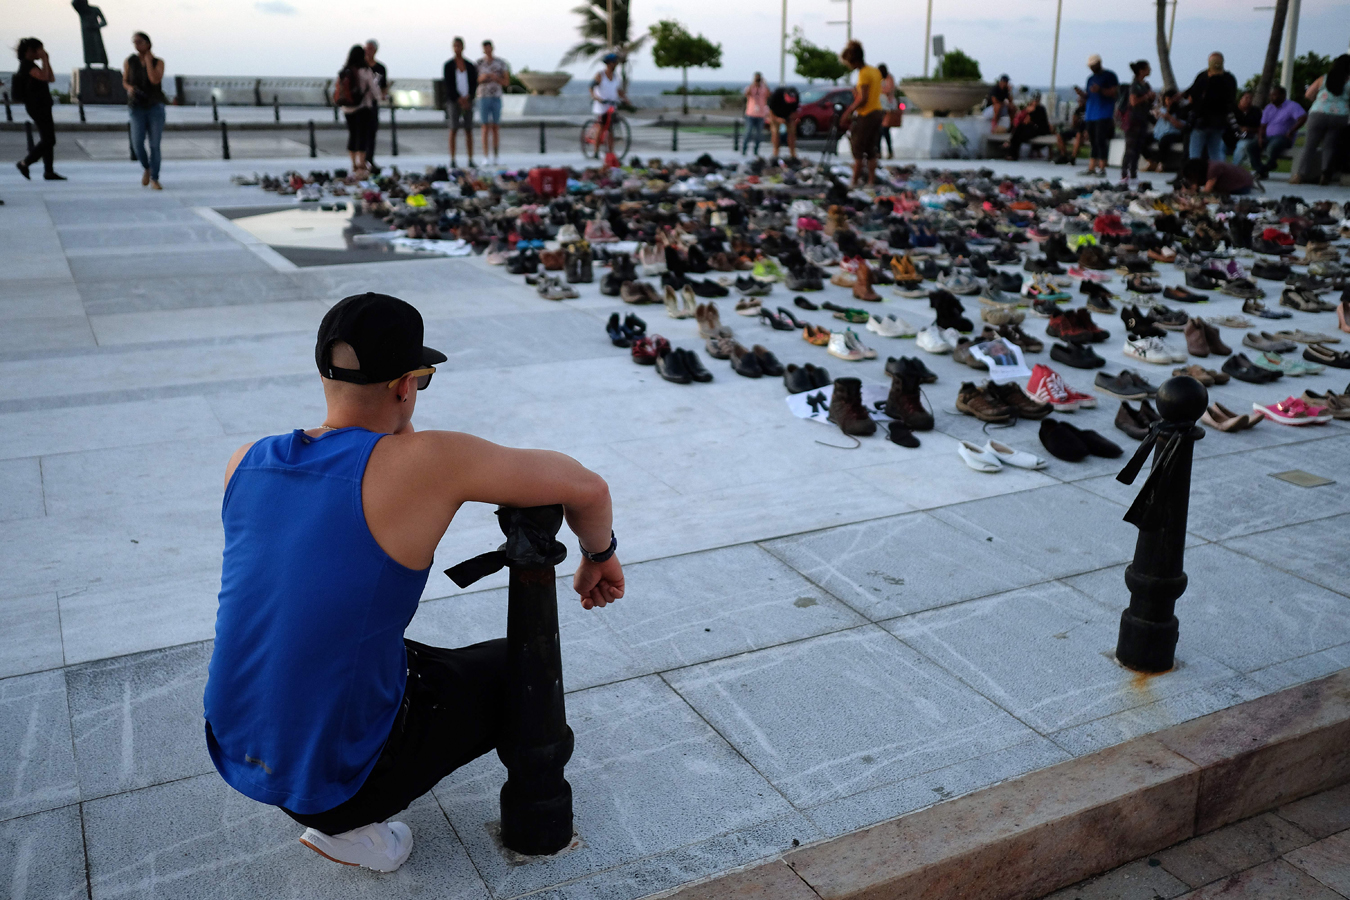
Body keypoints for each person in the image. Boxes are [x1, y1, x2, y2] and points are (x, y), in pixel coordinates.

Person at [203, 292, 624, 873]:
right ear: (406, 384)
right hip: (339, 785)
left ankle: (326, 790)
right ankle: (349, 829)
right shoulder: (429, 460)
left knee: (358, 640)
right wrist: (599, 553)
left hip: (233, 742)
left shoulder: (245, 459)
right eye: (421, 381)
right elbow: (587, 487)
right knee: (516, 668)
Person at [12, 38, 64, 181]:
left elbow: (50, 78)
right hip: (37, 106)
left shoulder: (32, 65)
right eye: (40, 49)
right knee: (49, 140)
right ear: (31, 50)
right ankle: (25, 163)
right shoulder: (27, 66)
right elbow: (44, 77)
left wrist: (45, 61)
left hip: (43, 105)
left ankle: (49, 171)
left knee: (47, 138)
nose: (42, 52)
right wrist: (45, 60)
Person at [1294, 54, 1350, 185]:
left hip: (1318, 113)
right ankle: (1325, 175)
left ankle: (1300, 175)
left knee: (1310, 146)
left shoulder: (1323, 79)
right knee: (1329, 146)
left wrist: (1319, 102)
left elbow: (1308, 94)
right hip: (1340, 116)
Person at [122, 32, 166, 190]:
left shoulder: (158, 62)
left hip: (155, 106)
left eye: (139, 42)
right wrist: (129, 88)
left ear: (148, 43)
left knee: (155, 144)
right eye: (134, 42)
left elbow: (154, 80)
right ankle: (147, 168)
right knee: (137, 143)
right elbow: (125, 80)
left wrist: (148, 62)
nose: (136, 45)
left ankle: (155, 177)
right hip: (136, 106)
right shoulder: (130, 61)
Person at [839, 40, 883, 188]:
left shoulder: (863, 74)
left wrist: (848, 111)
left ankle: (854, 181)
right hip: (878, 111)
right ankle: (870, 182)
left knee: (857, 149)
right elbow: (871, 93)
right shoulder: (874, 71)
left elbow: (863, 99)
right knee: (871, 149)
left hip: (866, 114)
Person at [1181, 52, 1237, 162]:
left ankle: (1195, 175)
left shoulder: (1203, 77)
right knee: (1216, 152)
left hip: (1202, 121)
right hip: (1219, 122)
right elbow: (1231, 100)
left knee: (1195, 153)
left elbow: (1192, 96)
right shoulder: (1229, 79)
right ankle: (1219, 175)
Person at [336, 44, 378, 175]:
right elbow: (373, 89)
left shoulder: (345, 70)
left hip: (347, 108)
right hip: (362, 107)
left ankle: (353, 164)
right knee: (362, 136)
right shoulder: (364, 71)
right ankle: (361, 164)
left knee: (352, 134)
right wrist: (380, 97)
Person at [1075, 54, 1118, 176]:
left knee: (1101, 140)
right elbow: (1088, 96)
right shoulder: (1090, 79)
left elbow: (1114, 92)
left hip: (1104, 113)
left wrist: (1100, 90)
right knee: (1093, 141)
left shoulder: (1109, 76)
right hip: (1091, 113)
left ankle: (1102, 167)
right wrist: (1082, 94)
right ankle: (1092, 167)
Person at [1253, 85, 1306, 179]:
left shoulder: (1292, 106)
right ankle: (1262, 169)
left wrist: (1292, 130)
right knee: (1250, 146)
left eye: (1274, 95)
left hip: (1284, 137)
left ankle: (1266, 167)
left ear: (1283, 95)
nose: (1271, 97)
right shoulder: (1269, 107)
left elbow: (1303, 118)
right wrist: (1260, 137)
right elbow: (1262, 125)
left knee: (1273, 146)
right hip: (1268, 137)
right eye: (1270, 95)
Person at [443, 38, 477, 169]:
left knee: (468, 129)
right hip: (454, 101)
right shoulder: (448, 65)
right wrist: (459, 99)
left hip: (468, 100)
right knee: (453, 129)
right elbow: (449, 84)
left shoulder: (469, 65)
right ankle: (452, 158)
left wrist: (468, 98)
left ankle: (470, 158)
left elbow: (474, 83)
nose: (457, 48)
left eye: (459, 46)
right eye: (455, 46)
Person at [1120, 60, 1155, 181]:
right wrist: (1146, 97)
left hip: (1143, 120)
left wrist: (1151, 99)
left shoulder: (1146, 85)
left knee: (1138, 148)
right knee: (1130, 148)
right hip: (1133, 121)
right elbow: (1133, 101)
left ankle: (1133, 172)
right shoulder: (1134, 85)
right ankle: (1124, 172)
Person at [476, 40, 509, 164]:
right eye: (485, 48)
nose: (487, 50)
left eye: (489, 48)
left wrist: (497, 78)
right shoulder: (479, 63)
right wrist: (482, 78)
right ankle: (485, 156)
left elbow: (506, 82)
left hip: (496, 97)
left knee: (495, 127)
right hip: (483, 97)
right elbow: (474, 80)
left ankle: (496, 156)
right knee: (485, 127)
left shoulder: (500, 63)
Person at [589, 53, 627, 156]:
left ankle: (610, 152)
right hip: (601, 107)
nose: (616, 64)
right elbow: (591, 87)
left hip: (611, 106)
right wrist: (595, 97)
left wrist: (625, 99)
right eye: (614, 62)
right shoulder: (600, 75)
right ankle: (596, 151)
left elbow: (618, 90)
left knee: (611, 130)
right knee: (601, 128)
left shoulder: (615, 76)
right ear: (609, 63)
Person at [1144, 89, 1186, 172]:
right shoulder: (1162, 110)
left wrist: (1169, 117)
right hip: (1159, 133)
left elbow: (1181, 125)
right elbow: (1156, 122)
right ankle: (1151, 161)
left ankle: (1161, 163)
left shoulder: (1180, 111)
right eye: (1167, 99)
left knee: (1164, 141)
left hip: (1173, 133)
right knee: (1142, 139)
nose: (1169, 102)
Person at [363, 40, 388, 170]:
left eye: (371, 49)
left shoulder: (380, 68)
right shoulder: (359, 66)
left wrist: (382, 95)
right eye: (367, 49)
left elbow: (384, 86)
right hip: (360, 104)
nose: (368, 51)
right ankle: (361, 161)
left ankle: (370, 159)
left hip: (372, 103)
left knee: (372, 132)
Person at [1005, 92, 1050, 161]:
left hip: (1038, 130)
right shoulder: (1033, 108)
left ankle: (1012, 153)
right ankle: (1012, 153)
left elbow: (1029, 121)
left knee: (1018, 135)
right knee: (1018, 131)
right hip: (1032, 128)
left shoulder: (1039, 109)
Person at [1179, 157, 1254, 195]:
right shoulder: (1210, 165)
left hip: (1243, 187)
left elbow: (1207, 191)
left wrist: (1192, 191)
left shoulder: (1213, 169)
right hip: (1245, 183)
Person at [766, 84, 801, 160]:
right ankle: (775, 153)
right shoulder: (776, 95)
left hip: (788, 116)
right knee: (775, 132)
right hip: (776, 115)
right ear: (785, 95)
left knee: (792, 133)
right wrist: (778, 119)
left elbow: (795, 111)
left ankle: (793, 154)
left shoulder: (796, 97)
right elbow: (770, 112)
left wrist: (793, 119)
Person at [1228, 91, 1261, 169]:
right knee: (1220, 147)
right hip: (1230, 137)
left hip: (1247, 137)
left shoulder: (1256, 111)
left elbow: (1260, 127)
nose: (1248, 100)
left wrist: (1249, 129)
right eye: (1246, 98)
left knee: (1242, 146)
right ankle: (1221, 169)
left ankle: (1233, 169)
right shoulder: (1232, 110)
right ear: (1240, 99)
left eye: (1250, 99)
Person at [743, 72, 769, 156]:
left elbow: (769, 95)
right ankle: (744, 149)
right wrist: (753, 84)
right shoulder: (751, 88)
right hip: (750, 114)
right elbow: (746, 94)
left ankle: (756, 150)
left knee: (759, 135)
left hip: (760, 115)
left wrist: (765, 84)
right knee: (748, 132)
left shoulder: (763, 89)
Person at [878, 64, 898, 159]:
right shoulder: (879, 79)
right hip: (880, 107)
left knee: (885, 130)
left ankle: (889, 151)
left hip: (888, 107)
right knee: (879, 131)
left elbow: (888, 90)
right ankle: (878, 151)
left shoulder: (889, 79)